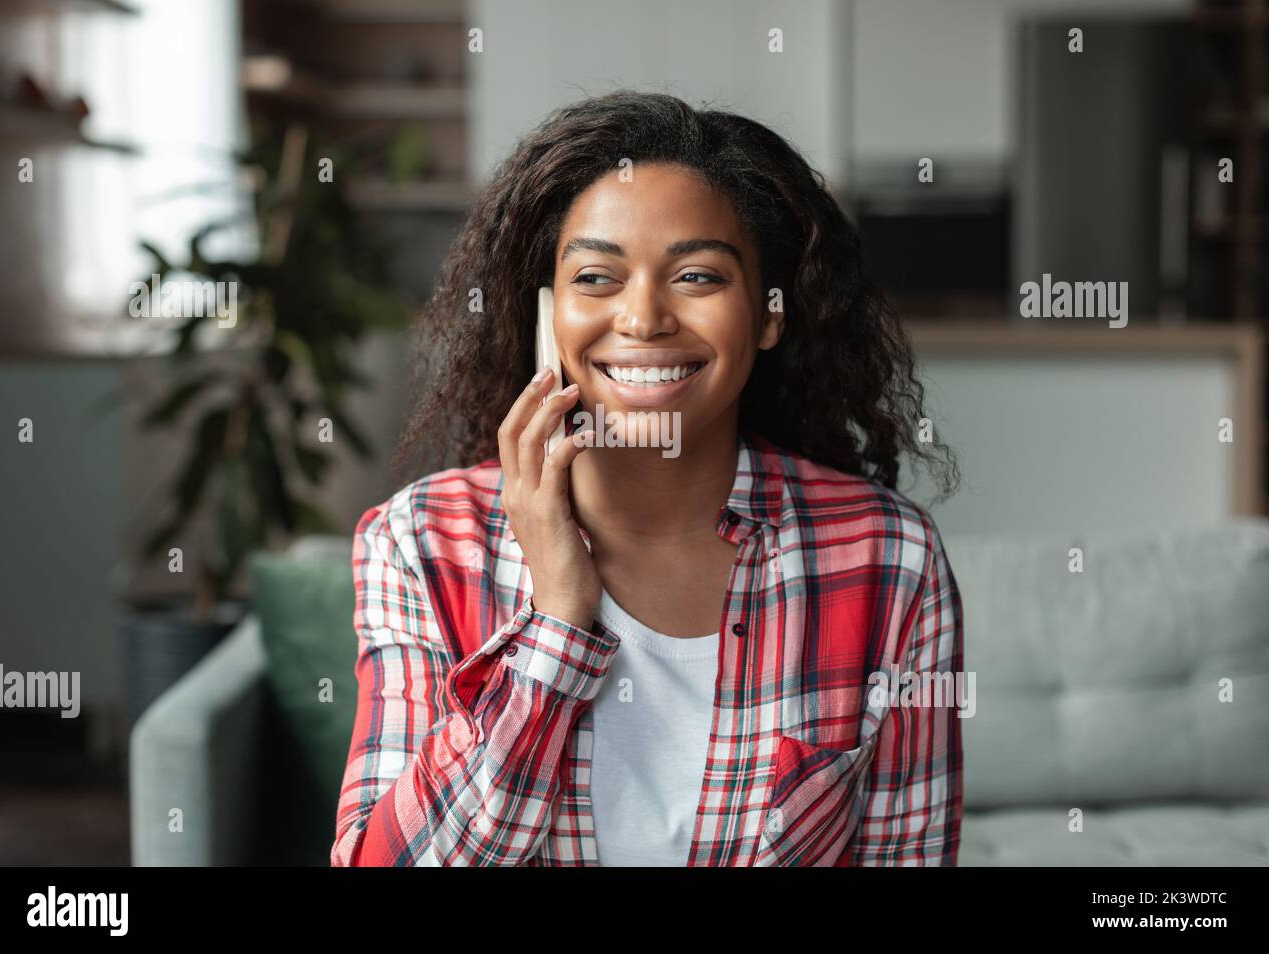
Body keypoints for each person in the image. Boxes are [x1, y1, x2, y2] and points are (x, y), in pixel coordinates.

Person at [330, 90, 963, 867]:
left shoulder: (888, 558)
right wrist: (557, 623)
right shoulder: (421, 543)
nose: (643, 318)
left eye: (697, 277)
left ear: (769, 314)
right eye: (596, 277)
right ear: (546, 316)